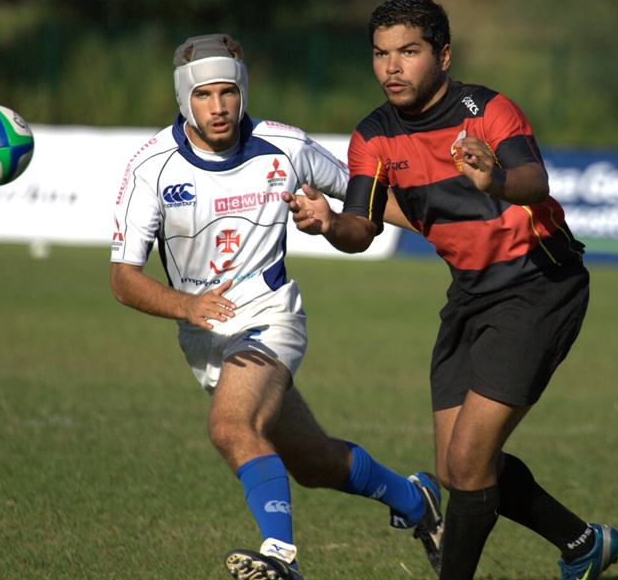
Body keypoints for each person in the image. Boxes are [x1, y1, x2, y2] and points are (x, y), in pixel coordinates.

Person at [283, 0, 618, 580]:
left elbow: (535, 181)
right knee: (455, 466)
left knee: (469, 464)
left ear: (442, 55)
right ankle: (581, 543)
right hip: (470, 293)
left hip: (540, 285)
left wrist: (493, 177)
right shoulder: (373, 135)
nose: (391, 67)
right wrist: (328, 223)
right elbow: (362, 228)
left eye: (408, 51)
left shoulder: (489, 110)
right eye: (381, 54)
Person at [109, 33, 443, 580]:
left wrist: (450, 227)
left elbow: (368, 196)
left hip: (269, 316)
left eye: (228, 93)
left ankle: (280, 559)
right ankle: (414, 500)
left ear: (243, 91)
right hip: (205, 332)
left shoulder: (285, 147)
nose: (218, 108)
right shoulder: (152, 168)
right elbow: (124, 279)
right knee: (311, 463)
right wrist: (186, 306)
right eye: (203, 95)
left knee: (230, 426)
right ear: (183, 98)